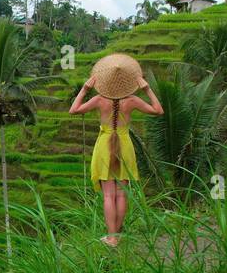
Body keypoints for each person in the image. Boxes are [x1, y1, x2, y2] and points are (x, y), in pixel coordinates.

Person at [68, 53, 164, 245]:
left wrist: (85, 89)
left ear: (105, 82)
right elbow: (158, 110)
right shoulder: (133, 101)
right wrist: (146, 88)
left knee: (108, 195)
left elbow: (74, 110)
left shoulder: (99, 100)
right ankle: (116, 236)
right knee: (122, 194)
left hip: (104, 145)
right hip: (125, 145)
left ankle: (112, 237)